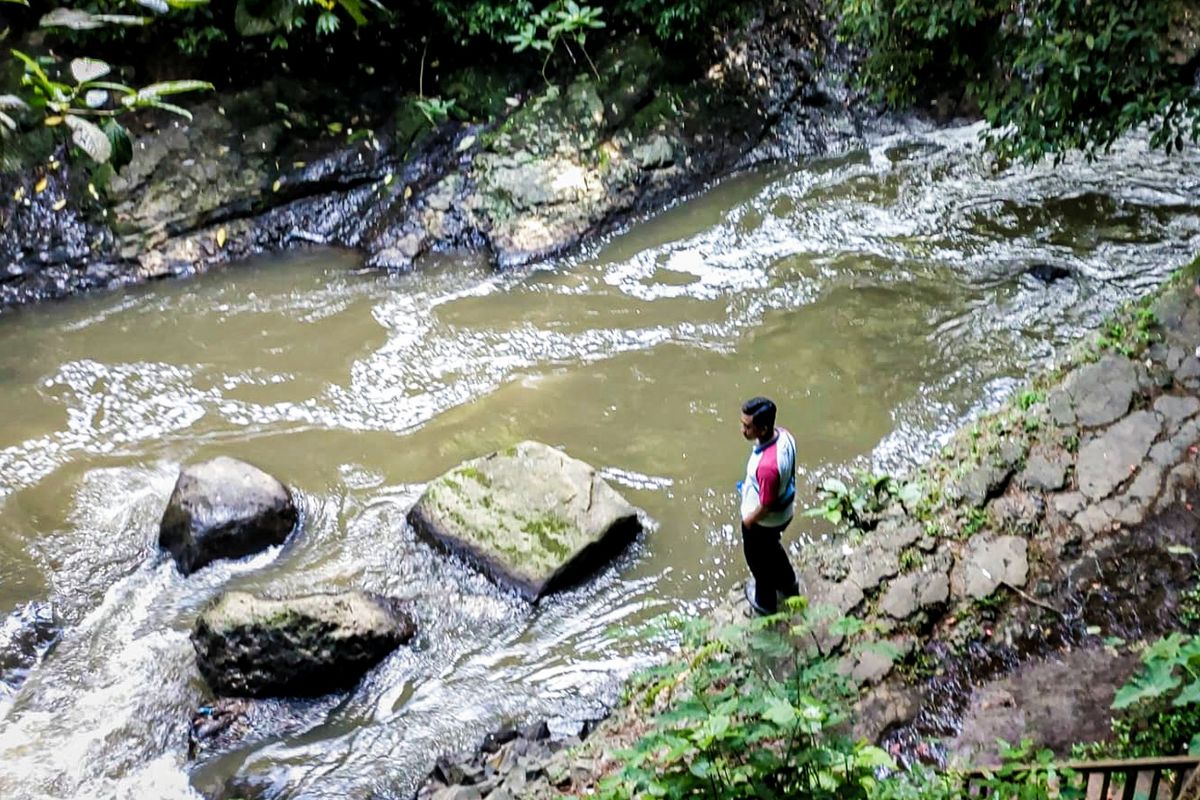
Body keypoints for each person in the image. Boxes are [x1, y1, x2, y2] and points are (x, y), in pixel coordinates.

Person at [738, 396, 801, 615]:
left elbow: (766, 504)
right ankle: (789, 584)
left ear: (763, 429)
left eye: (747, 426)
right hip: (784, 512)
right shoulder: (785, 436)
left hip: (764, 521)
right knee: (773, 550)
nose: (742, 430)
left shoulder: (767, 468)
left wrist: (749, 520)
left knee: (758, 562)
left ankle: (765, 604)